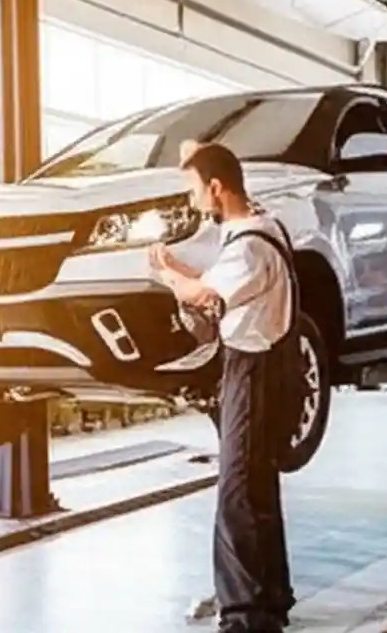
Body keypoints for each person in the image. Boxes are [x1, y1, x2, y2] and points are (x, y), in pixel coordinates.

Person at [149, 141, 295, 632]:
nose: (192, 201)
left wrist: (168, 277)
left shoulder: (251, 244)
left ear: (216, 188)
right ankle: (270, 599)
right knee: (258, 488)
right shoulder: (263, 230)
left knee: (236, 493)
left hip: (252, 373)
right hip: (265, 370)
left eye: (194, 189)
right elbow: (216, 281)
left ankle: (245, 616)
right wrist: (184, 273)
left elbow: (207, 296)